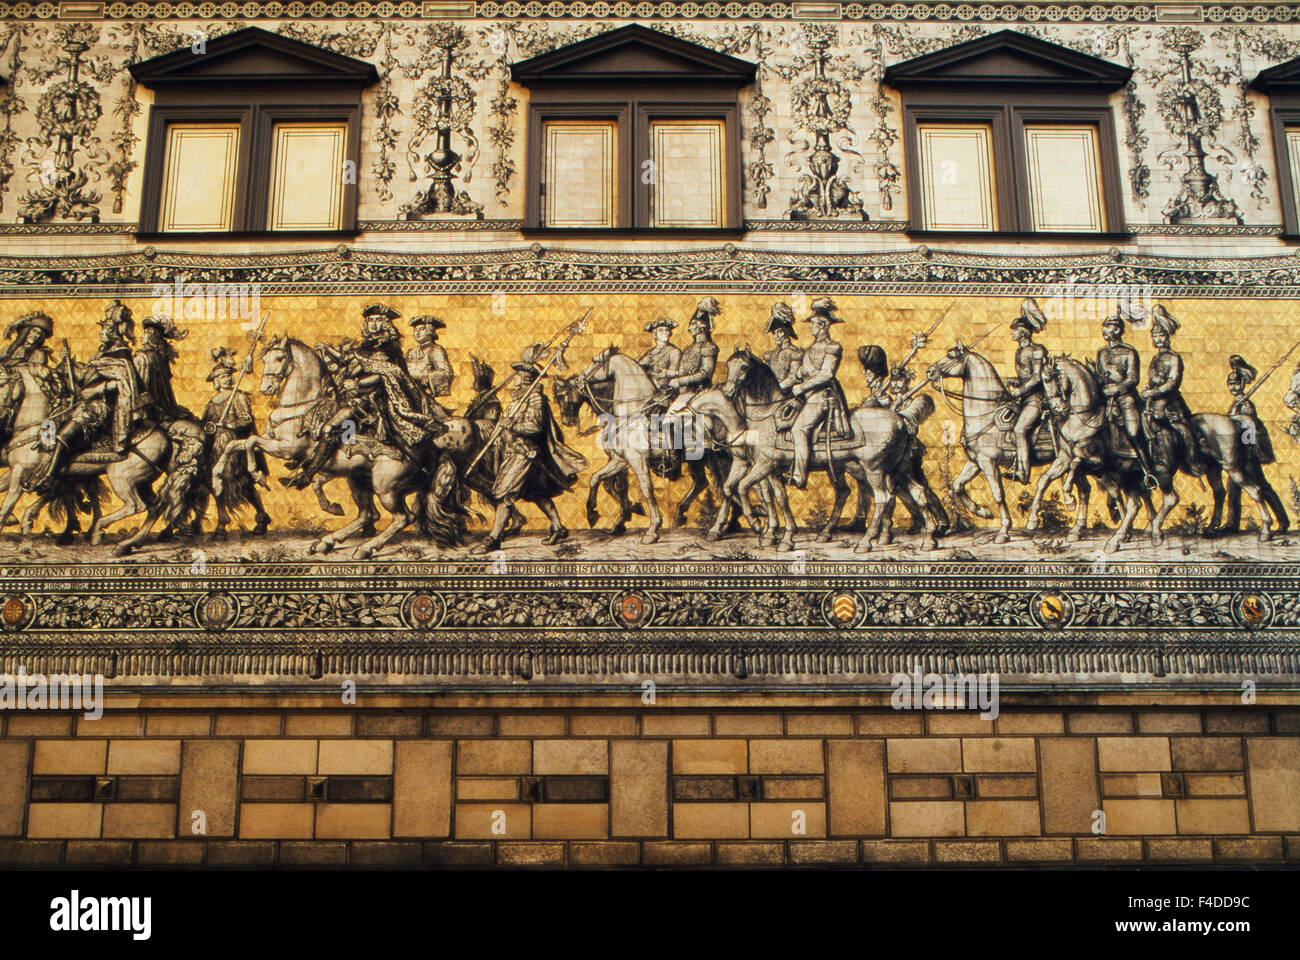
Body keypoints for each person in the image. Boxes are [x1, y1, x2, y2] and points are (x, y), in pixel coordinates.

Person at [472, 342, 588, 553]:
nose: (514, 377)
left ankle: (494, 538)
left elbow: (533, 427)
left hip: (525, 452)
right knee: (536, 492)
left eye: (518, 374)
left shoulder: (535, 398)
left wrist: (511, 425)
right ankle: (558, 526)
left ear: (526, 377)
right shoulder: (518, 398)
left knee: (505, 493)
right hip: (513, 450)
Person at [25, 300, 146, 494]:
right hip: (84, 404)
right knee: (50, 422)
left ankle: (48, 476)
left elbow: (122, 384)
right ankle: (42, 462)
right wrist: (67, 362)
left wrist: (97, 390)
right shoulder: (100, 356)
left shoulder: (120, 356)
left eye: (103, 330)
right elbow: (83, 377)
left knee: (63, 434)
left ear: (112, 333)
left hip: (99, 408)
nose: (100, 333)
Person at [780, 297, 849, 489]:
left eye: (813, 324)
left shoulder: (832, 347)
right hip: (806, 398)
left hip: (822, 397)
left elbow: (826, 375)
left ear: (823, 325)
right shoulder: (809, 349)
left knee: (799, 429)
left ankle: (799, 476)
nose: (810, 328)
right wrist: (781, 386)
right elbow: (798, 374)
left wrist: (802, 387)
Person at [1222, 354, 1287, 532]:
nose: (1233, 387)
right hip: (1236, 456)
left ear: (1243, 384)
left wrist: (1236, 417)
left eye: (1236, 383)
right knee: (1233, 490)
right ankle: (1232, 524)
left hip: (1248, 454)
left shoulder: (1245, 404)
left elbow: (1250, 426)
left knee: (1262, 487)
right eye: (1230, 383)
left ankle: (1283, 521)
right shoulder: (1235, 404)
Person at [1142, 304, 1204, 476]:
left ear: (1167, 336)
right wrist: (1148, 389)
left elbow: (1172, 382)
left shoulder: (1174, 358)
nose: (1158, 339)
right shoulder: (1156, 358)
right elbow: (1152, 380)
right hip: (1153, 400)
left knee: (1182, 429)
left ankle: (1191, 460)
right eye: (1155, 336)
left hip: (1170, 402)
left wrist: (1154, 392)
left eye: (1161, 335)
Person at [1096, 306, 1155, 483]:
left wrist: (1118, 388)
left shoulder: (1129, 352)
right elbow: (1100, 375)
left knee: (1133, 431)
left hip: (1125, 398)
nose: (1107, 330)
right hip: (1105, 398)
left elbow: (1133, 378)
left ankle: (1147, 471)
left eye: (1111, 327)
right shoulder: (1101, 352)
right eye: (1106, 327)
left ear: (1119, 330)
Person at [1005, 297, 1049, 483]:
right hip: (1024, 398)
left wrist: (1020, 389)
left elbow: (1037, 378)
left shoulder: (1037, 350)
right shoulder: (1018, 352)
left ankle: (1023, 473)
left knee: (1020, 428)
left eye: (1014, 330)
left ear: (1023, 332)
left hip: (1036, 399)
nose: (1012, 334)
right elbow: (1025, 377)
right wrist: (1012, 381)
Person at [665, 297, 721, 415]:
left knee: (669, 420)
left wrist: (680, 381)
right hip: (680, 393)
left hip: (697, 394)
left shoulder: (708, 347)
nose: (689, 328)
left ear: (702, 327)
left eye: (693, 324)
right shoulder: (689, 348)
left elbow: (705, 373)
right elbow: (684, 370)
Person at [134, 313, 192, 424]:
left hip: (149, 409)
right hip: (165, 408)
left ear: (152, 336)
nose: (141, 336)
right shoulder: (160, 355)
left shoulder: (142, 357)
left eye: (145, 333)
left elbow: (138, 386)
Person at [407, 314, 454, 411]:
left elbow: (445, 373)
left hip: (424, 396)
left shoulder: (435, 349)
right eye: (415, 330)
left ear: (430, 331)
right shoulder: (410, 352)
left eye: (421, 329)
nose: (417, 333)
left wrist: (424, 376)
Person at [764, 303, 804, 383]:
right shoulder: (771, 355)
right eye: (774, 333)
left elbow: (792, 378)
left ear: (786, 332)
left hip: (789, 393)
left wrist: (777, 390)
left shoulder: (795, 353)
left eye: (779, 332)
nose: (775, 336)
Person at [639, 317, 682, 392]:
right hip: (646, 388)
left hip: (665, 390)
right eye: (661, 330)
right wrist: (641, 363)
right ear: (655, 334)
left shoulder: (675, 351)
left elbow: (672, 374)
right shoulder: (650, 352)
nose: (665, 332)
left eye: (667, 330)